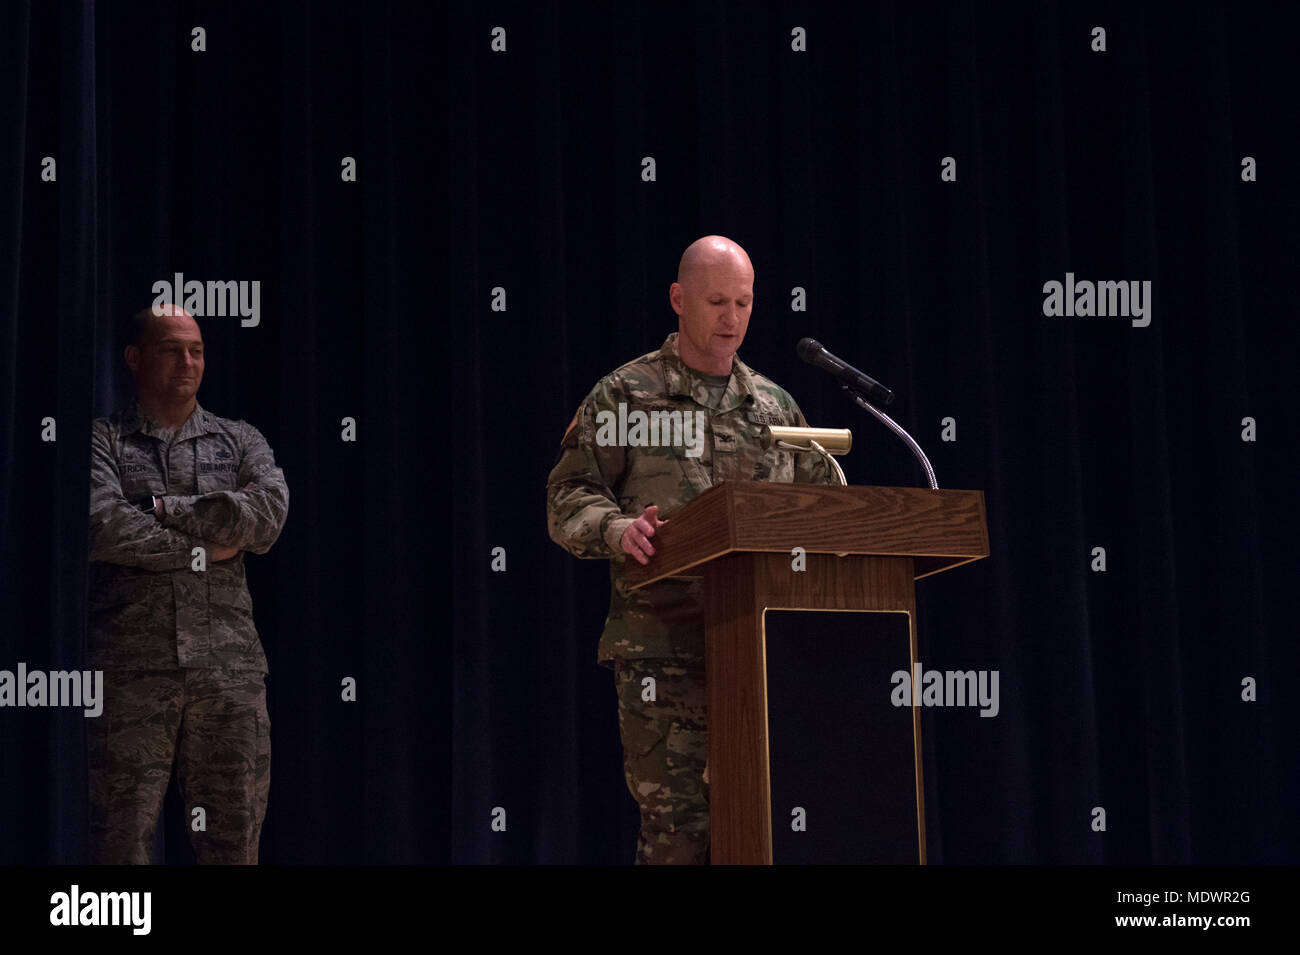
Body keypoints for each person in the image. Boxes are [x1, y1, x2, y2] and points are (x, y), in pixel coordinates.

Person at [546, 235, 835, 864]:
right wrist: (618, 529)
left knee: (766, 831)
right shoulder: (626, 395)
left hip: (764, 654)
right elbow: (568, 498)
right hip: (665, 654)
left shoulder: (775, 407)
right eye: (716, 302)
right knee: (680, 838)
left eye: (743, 302)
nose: (732, 319)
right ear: (679, 299)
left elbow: (821, 517)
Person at [87, 303, 289, 864]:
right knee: (119, 842)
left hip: (229, 670)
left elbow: (267, 517)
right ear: (134, 358)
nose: (187, 362)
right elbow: (104, 526)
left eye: (196, 350)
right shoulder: (104, 441)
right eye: (171, 349)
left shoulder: (238, 440)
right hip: (132, 671)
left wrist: (159, 507)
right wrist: (207, 549)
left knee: (233, 840)